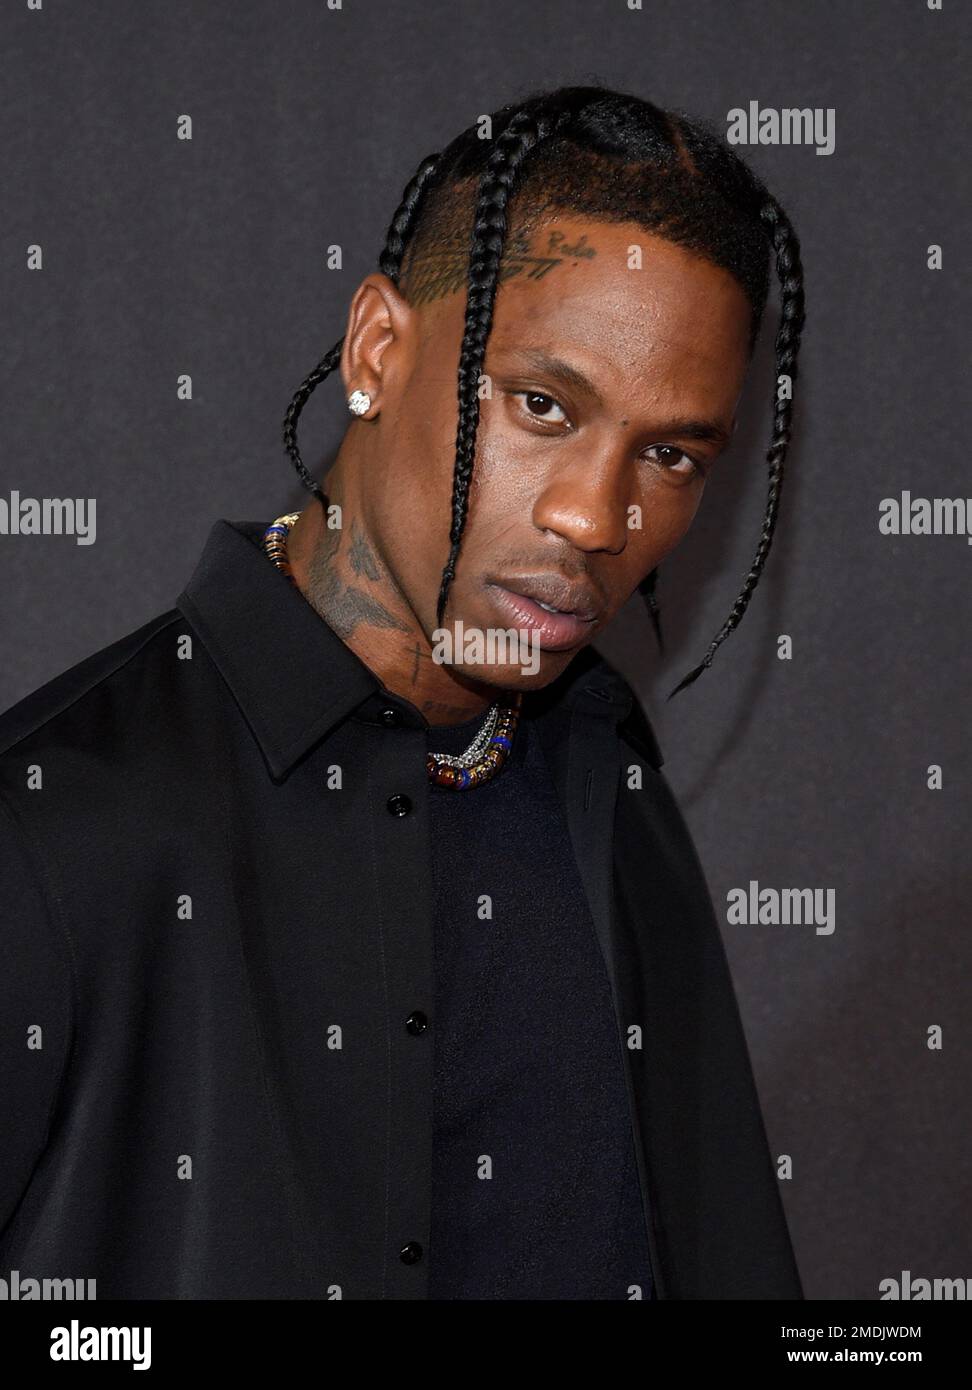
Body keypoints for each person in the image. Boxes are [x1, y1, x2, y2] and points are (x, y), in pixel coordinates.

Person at [0, 85, 805, 1299]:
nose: (597, 516)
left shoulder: (605, 782)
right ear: (378, 350)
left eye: (670, 454)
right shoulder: (53, 822)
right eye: (543, 405)